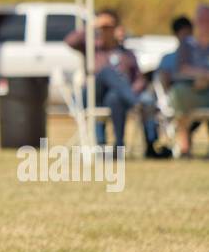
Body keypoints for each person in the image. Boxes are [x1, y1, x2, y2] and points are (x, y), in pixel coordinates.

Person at [66, 8, 168, 157]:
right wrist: (91, 25)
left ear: (117, 28)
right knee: (107, 72)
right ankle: (135, 102)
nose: (106, 31)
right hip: (94, 94)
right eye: (103, 27)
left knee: (115, 97)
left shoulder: (126, 54)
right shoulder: (92, 48)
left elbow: (139, 78)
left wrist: (131, 89)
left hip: (116, 98)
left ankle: (118, 145)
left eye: (110, 26)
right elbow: (70, 41)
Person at [168, 3, 209, 157]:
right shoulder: (187, 44)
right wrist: (200, 76)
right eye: (202, 19)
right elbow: (181, 70)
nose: (205, 23)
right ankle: (184, 146)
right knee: (178, 93)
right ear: (196, 22)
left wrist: (205, 78)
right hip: (191, 90)